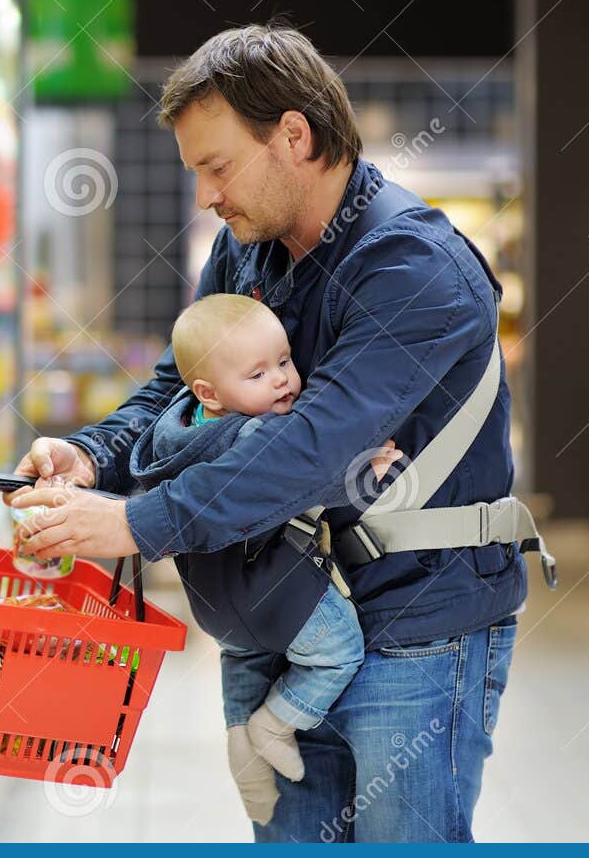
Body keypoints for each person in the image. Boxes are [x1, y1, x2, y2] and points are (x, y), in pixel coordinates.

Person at [10, 23, 526, 843]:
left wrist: (136, 523)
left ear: (294, 134)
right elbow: (183, 386)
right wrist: (95, 455)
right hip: (281, 611)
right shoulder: (246, 252)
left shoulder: (414, 266)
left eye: (217, 167)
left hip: (417, 624)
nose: (207, 195)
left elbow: (316, 443)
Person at [111, 292, 399, 790]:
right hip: (278, 595)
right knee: (340, 652)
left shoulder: (171, 432)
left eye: (284, 361)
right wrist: (367, 473)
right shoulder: (257, 436)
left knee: (242, 659)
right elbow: (305, 482)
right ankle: (277, 723)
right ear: (210, 393)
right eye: (258, 374)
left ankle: (245, 750)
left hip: (214, 609)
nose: (283, 379)